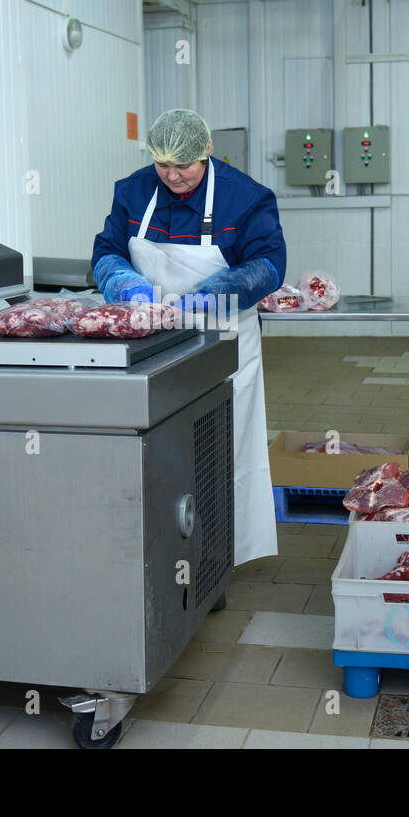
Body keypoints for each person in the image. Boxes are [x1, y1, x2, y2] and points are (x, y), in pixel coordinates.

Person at [91, 109, 286, 566]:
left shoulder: (247, 198)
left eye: (185, 165)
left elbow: (270, 264)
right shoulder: (133, 190)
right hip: (150, 334)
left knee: (221, 448)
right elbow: (107, 250)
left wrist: (210, 295)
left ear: (207, 153)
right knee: (161, 447)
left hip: (223, 339)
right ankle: (156, 554)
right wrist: (125, 283)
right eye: (163, 166)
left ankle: (219, 555)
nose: (173, 176)